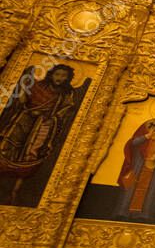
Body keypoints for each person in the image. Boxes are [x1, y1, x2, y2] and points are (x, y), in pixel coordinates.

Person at [0, 64, 90, 205]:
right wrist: (24, 87)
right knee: (8, 147)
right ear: (51, 74)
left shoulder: (66, 94)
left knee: (32, 153)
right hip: (24, 120)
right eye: (57, 74)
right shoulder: (39, 87)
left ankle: (15, 192)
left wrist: (49, 116)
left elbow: (65, 110)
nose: (59, 78)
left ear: (68, 78)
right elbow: (23, 101)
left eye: (63, 76)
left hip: (44, 125)